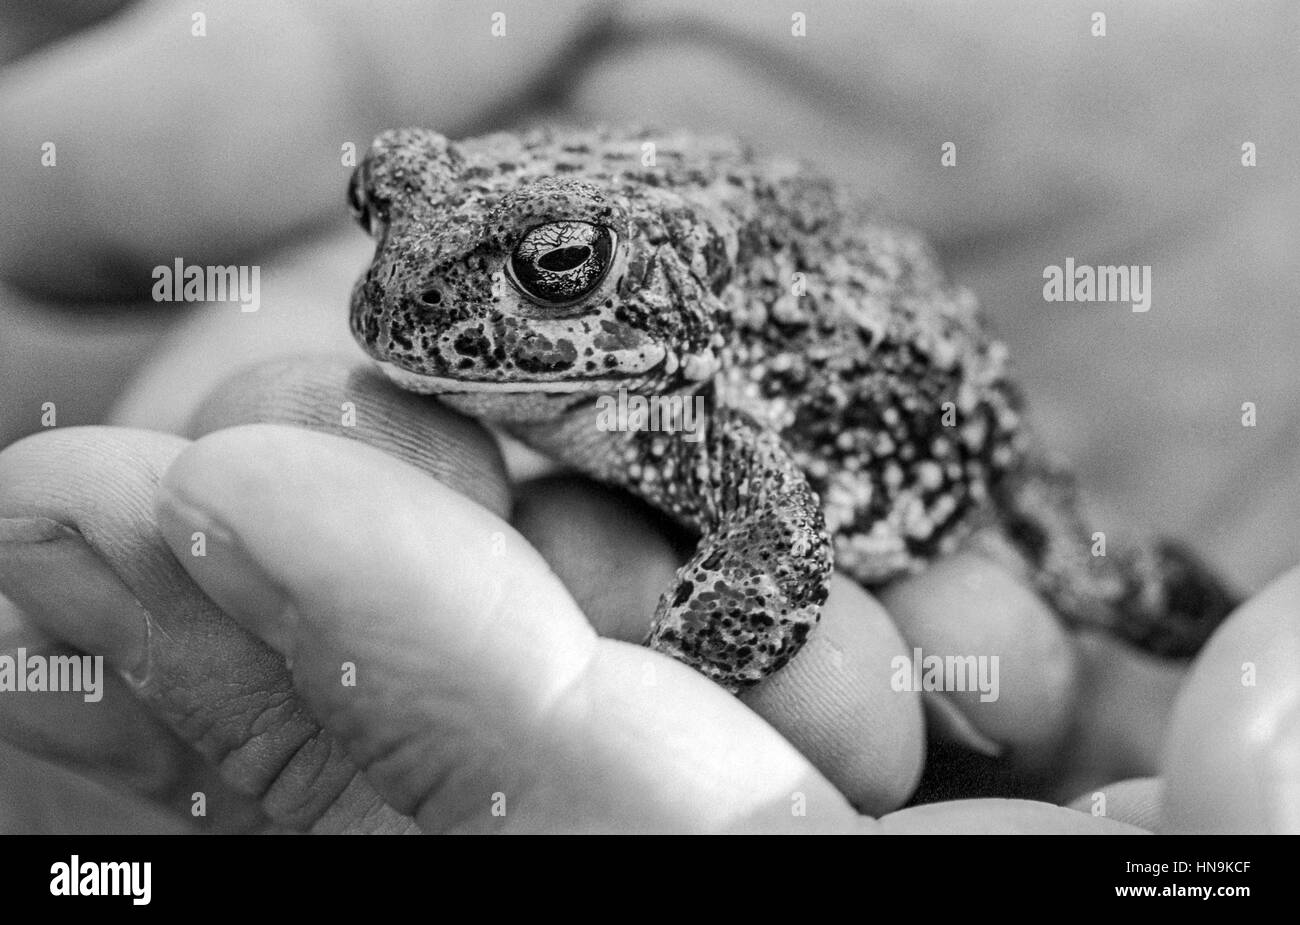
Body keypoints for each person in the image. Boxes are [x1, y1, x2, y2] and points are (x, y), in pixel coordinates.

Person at [0, 0, 1295, 833]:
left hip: (949, 423)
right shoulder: (502, 280)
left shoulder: (689, 403)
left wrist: (678, 663)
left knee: (1101, 580)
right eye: (385, 217)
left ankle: (1246, 616)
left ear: (632, 291)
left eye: (552, 273)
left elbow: (777, 531)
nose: (402, 286)